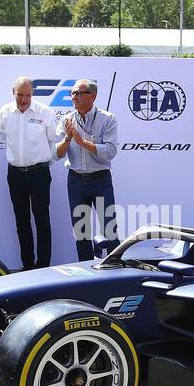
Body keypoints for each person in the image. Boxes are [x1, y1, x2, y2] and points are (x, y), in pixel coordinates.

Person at [0, 76, 59, 270]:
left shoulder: (45, 112)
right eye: (20, 95)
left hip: (39, 173)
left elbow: (52, 141)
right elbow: (3, 136)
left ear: (33, 93)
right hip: (15, 174)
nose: (24, 99)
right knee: (21, 221)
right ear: (12, 92)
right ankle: (28, 266)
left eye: (28, 95)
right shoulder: (4, 112)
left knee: (42, 220)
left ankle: (43, 267)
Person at [57, 78, 120, 261]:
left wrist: (82, 142)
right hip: (76, 181)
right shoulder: (66, 120)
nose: (74, 96)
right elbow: (57, 154)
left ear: (93, 96)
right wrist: (68, 139)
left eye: (79, 93)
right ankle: (86, 276)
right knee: (81, 233)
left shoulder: (108, 119)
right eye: (73, 93)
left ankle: (115, 271)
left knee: (109, 230)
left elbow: (110, 151)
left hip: (100, 180)